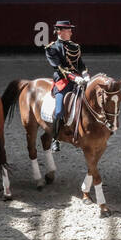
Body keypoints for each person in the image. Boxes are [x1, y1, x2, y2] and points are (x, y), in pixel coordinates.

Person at [45, 20, 88, 151]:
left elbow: (80, 64)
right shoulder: (52, 48)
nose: (71, 31)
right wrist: (75, 78)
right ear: (59, 31)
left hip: (79, 80)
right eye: (68, 29)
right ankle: (55, 138)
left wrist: (85, 74)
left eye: (70, 29)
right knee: (58, 111)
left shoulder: (75, 46)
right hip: (63, 82)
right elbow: (60, 69)